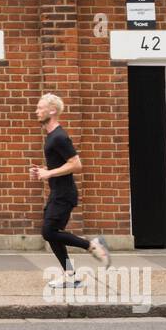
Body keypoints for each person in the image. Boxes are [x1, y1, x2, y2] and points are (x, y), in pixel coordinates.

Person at [30, 93, 110, 279]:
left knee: (49, 232)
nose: (36, 111)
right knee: (53, 234)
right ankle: (69, 273)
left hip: (64, 194)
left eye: (40, 108)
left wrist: (49, 173)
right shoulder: (51, 136)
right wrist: (43, 170)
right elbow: (61, 165)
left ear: (52, 110)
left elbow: (76, 164)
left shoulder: (60, 137)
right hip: (57, 192)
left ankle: (92, 245)